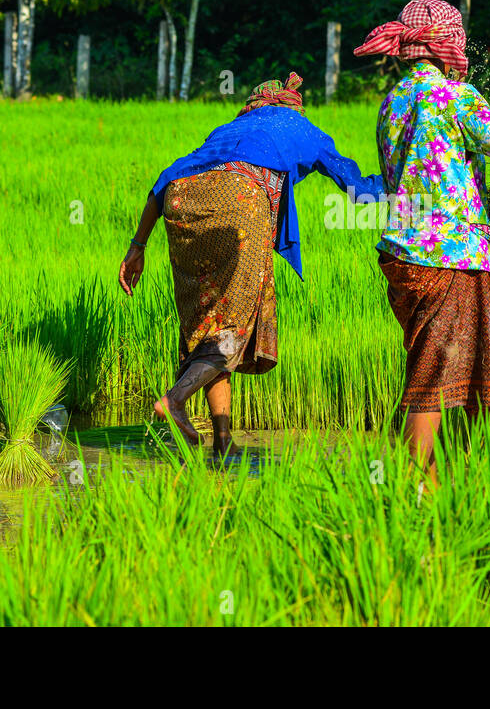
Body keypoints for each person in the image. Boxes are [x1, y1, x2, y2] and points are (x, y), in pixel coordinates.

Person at [118, 72, 382, 457]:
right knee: (234, 328)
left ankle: (223, 442)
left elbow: (163, 183)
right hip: (238, 200)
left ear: (254, 105)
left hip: (179, 201)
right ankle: (174, 400)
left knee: (210, 324)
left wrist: (137, 247)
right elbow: (357, 189)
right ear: (292, 104)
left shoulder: (228, 128)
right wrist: (405, 186)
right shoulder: (300, 126)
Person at [354, 0, 490, 483]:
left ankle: (436, 489)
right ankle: (411, 485)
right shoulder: (455, 96)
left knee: (429, 366)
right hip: (447, 255)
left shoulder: (392, 100)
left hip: (401, 257)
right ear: (445, 44)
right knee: (432, 379)